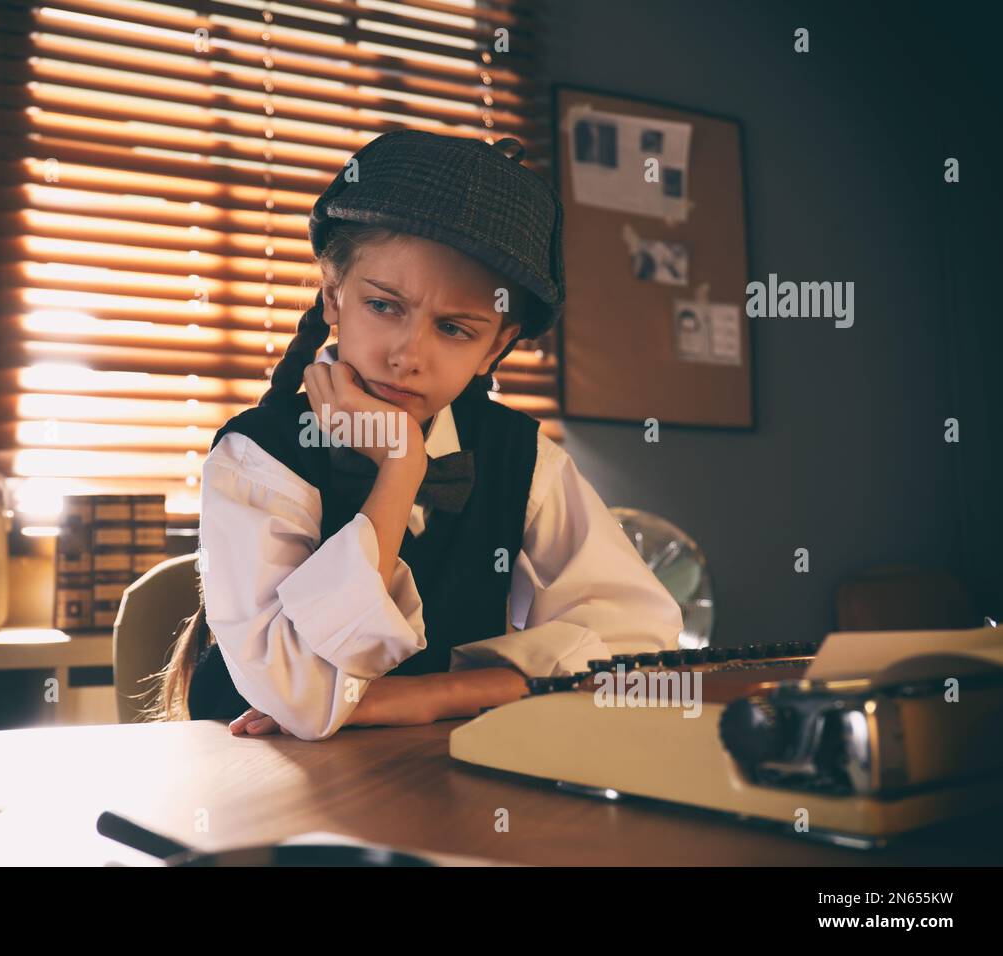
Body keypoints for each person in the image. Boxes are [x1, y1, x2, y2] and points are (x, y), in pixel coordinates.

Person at [138, 130, 683, 740]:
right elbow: (301, 697)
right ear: (333, 298)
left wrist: (434, 694)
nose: (408, 355)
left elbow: (641, 634)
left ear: (494, 348)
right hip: (253, 782)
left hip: (439, 769)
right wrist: (401, 467)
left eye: (453, 328)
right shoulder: (256, 456)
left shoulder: (523, 458)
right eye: (384, 306)